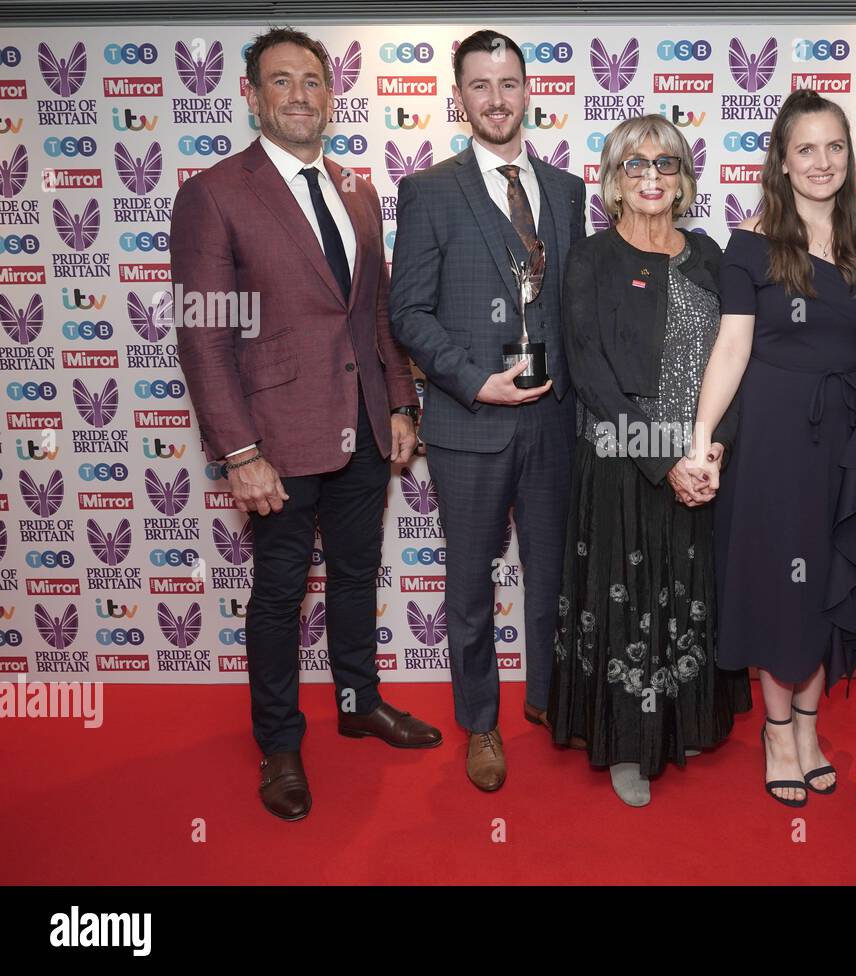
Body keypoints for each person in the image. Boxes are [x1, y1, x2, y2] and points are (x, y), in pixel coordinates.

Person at [171, 27, 440, 823]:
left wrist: (399, 402)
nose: (299, 94)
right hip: (275, 437)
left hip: (361, 423)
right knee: (281, 593)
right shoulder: (214, 192)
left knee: (357, 576)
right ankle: (280, 743)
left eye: (313, 81)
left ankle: (357, 702)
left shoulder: (354, 188)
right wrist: (240, 452)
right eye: (280, 81)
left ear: (331, 95)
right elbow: (204, 334)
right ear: (251, 96)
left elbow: (376, 314)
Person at [389, 29, 586, 792]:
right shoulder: (431, 190)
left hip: (555, 424)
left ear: (529, 90)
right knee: (469, 586)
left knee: (552, 578)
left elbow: (575, 306)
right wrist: (476, 380)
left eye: (509, 84)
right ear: (459, 96)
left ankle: (546, 700)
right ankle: (481, 725)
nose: (497, 100)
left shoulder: (566, 191)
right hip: (470, 424)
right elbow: (408, 313)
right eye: (480, 86)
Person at [549, 115, 751, 806]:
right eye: (635, 164)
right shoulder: (591, 257)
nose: (652, 177)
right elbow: (589, 372)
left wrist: (712, 448)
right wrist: (663, 460)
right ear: (614, 179)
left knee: (688, 597)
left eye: (665, 164)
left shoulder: (710, 255)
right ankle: (628, 745)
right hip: (621, 460)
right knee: (626, 603)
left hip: (699, 460)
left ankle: (686, 722)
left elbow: (736, 359)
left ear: (684, 178)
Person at [690, 89, 856, 807]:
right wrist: (702, 437)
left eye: (834, 146)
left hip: (846, 432)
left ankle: (808, 726)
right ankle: (777, 733)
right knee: (777, 581)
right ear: (782, 160)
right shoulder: (751, 243)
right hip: (772, 434)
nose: (822, 161)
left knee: (829, 570)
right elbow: (732, 346)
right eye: (806, 148)